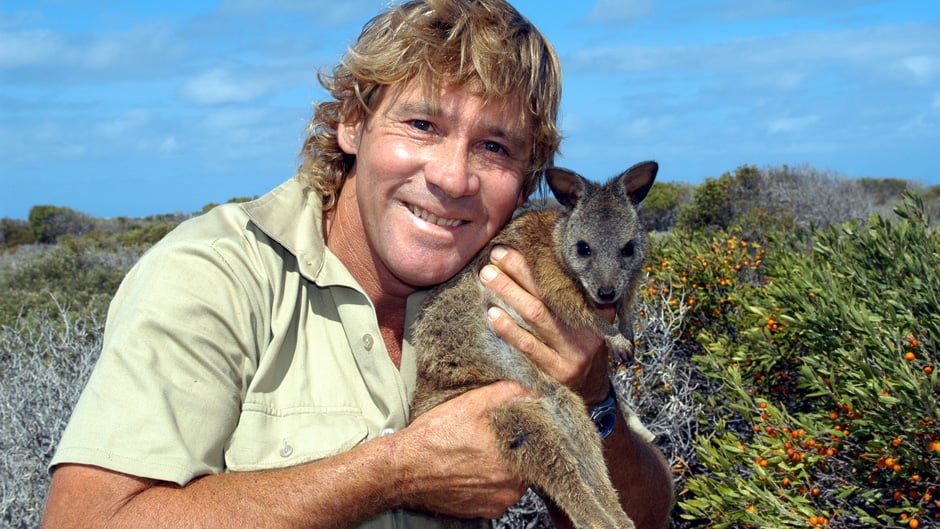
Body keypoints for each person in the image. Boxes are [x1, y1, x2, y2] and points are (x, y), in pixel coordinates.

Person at [41, 1, 673, 528]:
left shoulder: (516, 278)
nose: (453, 178)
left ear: (528, 177)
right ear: (352, 122)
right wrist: (393, 472)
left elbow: (641, 515)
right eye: (422, 124)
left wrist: (594, 398)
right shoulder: (216, 274)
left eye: (493, 146)